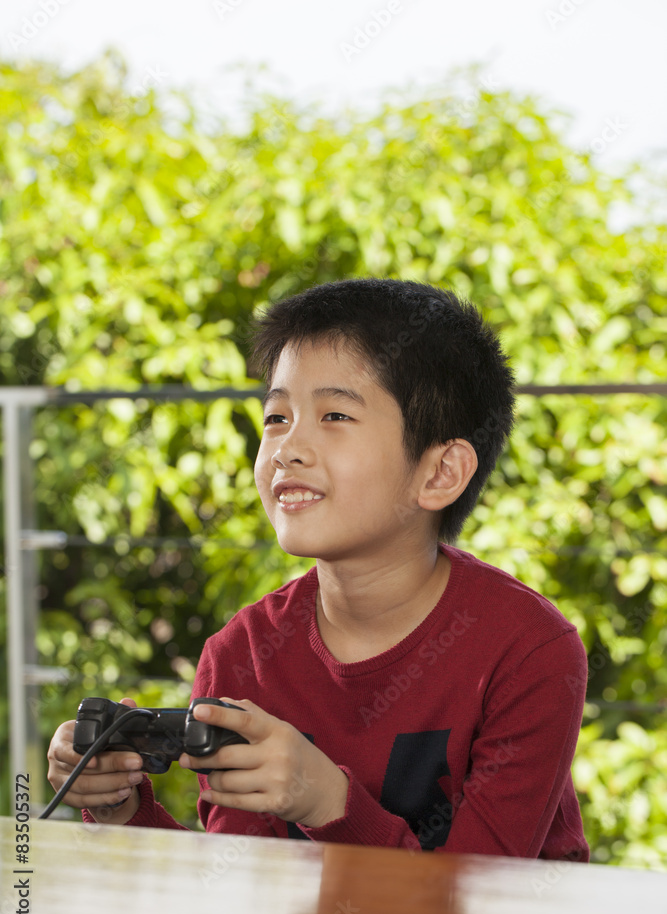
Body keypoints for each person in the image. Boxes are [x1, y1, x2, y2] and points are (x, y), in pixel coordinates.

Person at [47, 277, 589, 861]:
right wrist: (121, 810)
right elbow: (237, 892)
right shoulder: (240, 655)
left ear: (439, 473)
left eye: (333, 415)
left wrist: (328, 803)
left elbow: (482, 900)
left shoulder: (528, 649)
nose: (287, 448)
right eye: (276, 417)